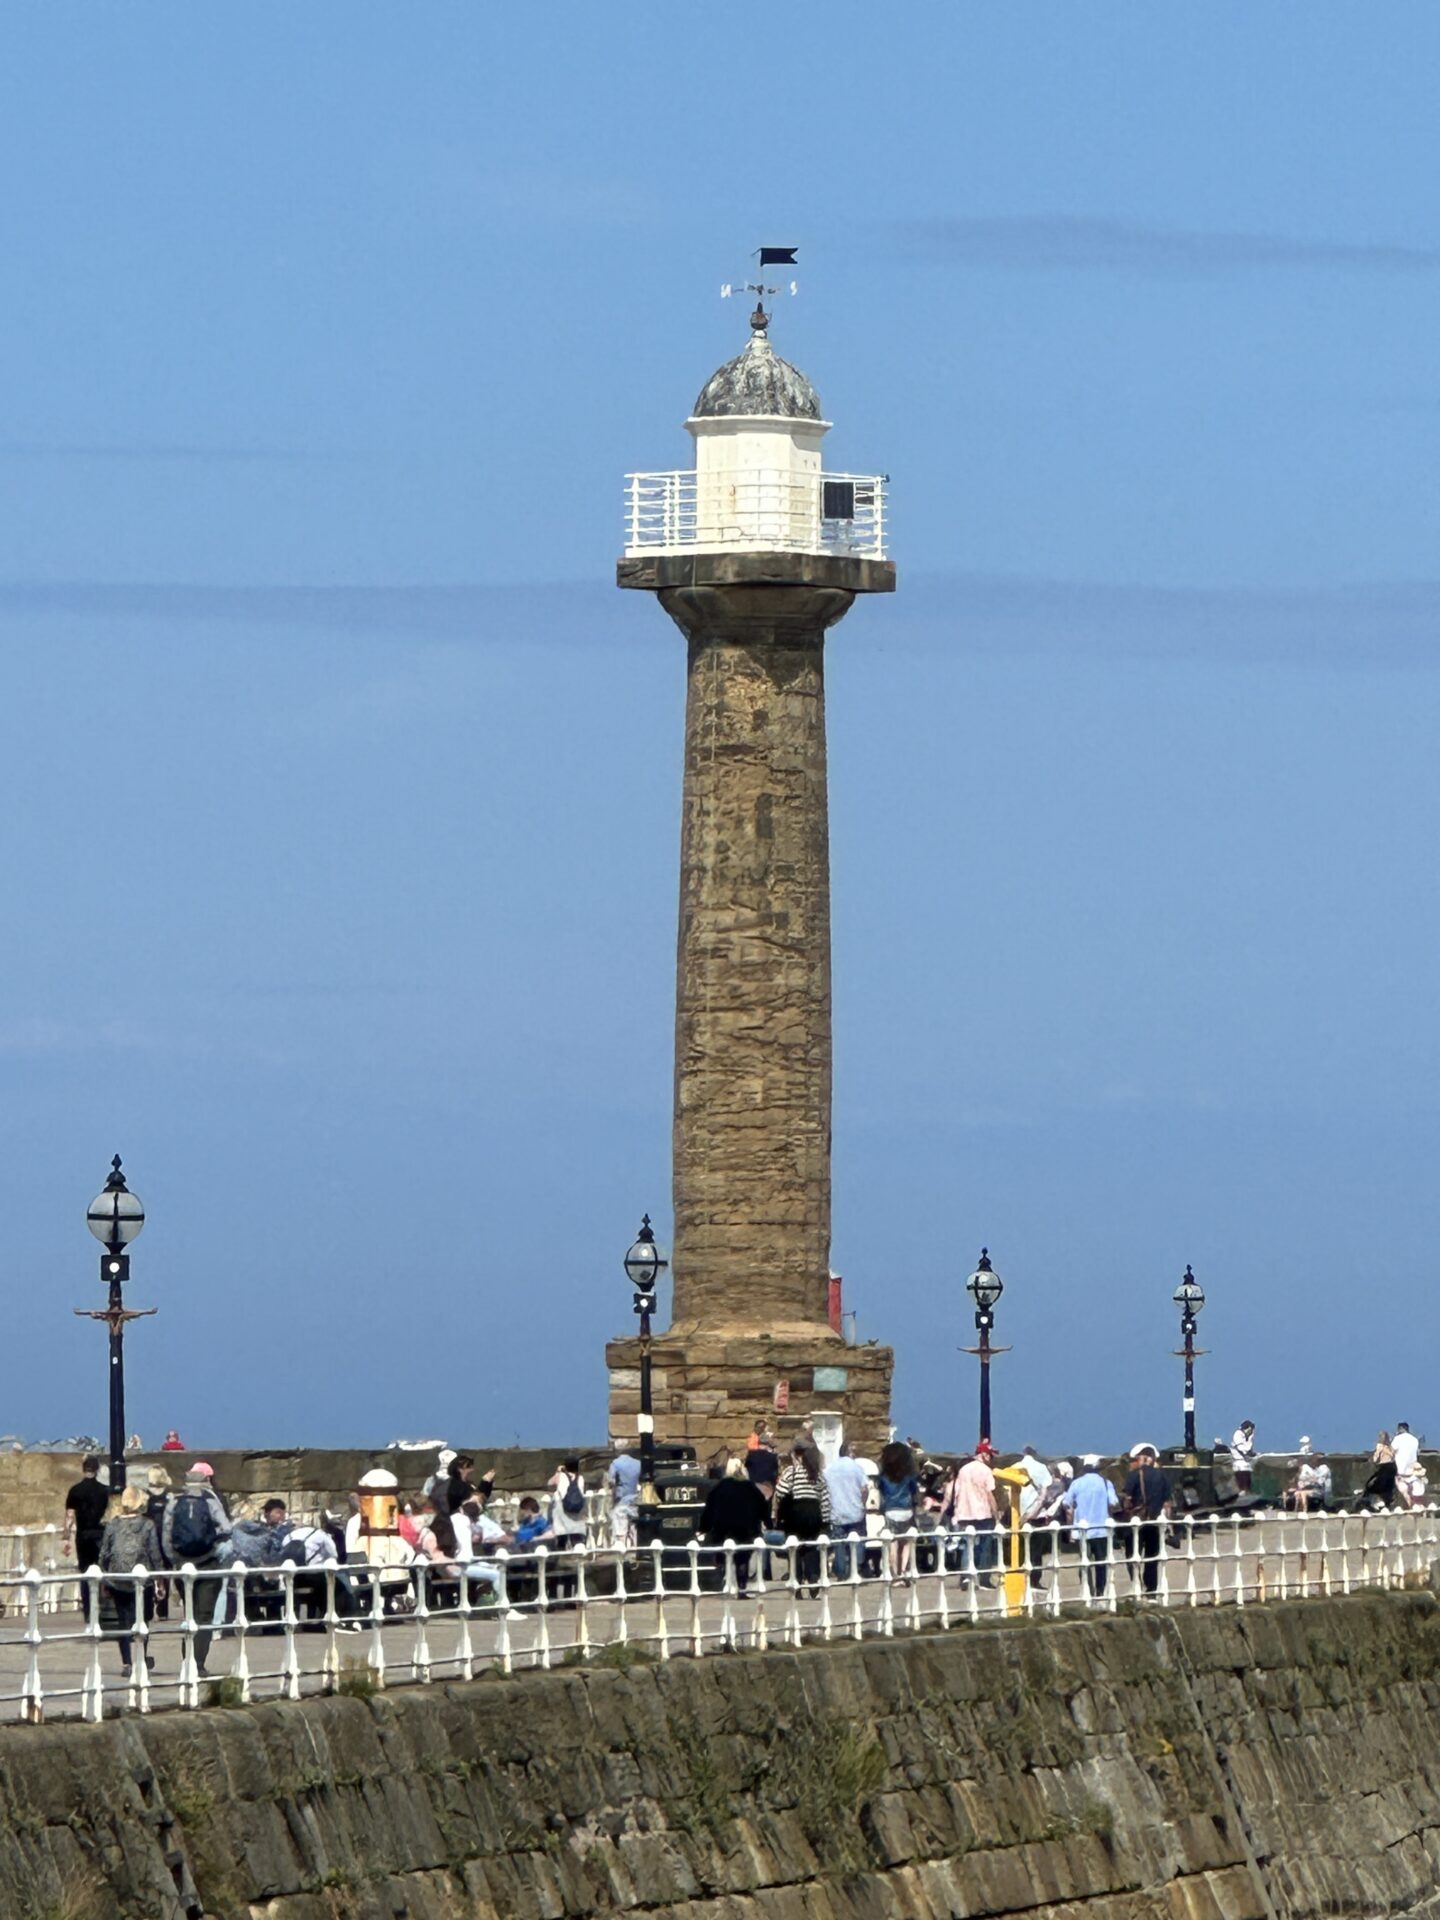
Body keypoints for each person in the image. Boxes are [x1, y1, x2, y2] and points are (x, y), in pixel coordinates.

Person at [162, 1462, 233, 1677]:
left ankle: (186, 1660)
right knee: (204, 1616)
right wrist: (213, 1544)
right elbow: (227, 1527)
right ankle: (198, 1663)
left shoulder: (174, 1502)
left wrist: (174, 1558)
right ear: (204, 1483)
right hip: (208, 1562)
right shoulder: (210, 1500)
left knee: (189, 1613)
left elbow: (166, 1533)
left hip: (183, 1564)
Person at [99, 1482, 163, 1676]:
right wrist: (160, 1578)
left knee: (123, 1622)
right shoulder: (147, 1524)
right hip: (141, 1580)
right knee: (142, 1620)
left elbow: (104, 1552)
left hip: (118, 1579)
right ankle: (141, 1658)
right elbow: (154, 1552)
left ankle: (127, 1663)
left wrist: (104, 1577)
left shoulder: (113, 1524)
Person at [699, 1458, 769, 1591]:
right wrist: (767, 1522)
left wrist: (704, 1527)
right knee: (742, 1559)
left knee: (721, 1552)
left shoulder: (720, 1487)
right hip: (746, 1529)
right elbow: (762, 1506)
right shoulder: (750, 1487)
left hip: (723, 1529)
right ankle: (741, 1588)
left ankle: (723, 1578)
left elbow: (710, 1508)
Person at [773, 1440, 831, 1592]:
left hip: (796, 1512)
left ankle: (796, 1580)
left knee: (795, 1547)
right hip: (813, 1513)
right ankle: (812, 1577)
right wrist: (825, 1520)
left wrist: (782, 1506)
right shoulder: (817, 1474)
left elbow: (780, 1491)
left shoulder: (791, 1472)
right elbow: (824, 1498)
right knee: (811, 1546)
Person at [63, 1456, 111, 1621]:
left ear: (83, 1470)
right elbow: (110, 1515)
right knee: (102, 1570)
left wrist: (66, 1539)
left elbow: (69, 1517)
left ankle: (88, 1611)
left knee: (85, 1572)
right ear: (97, 1470)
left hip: (82, 1536)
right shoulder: (105, 1491)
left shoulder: (75, 1490)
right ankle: (102, 1606)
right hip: (100, 1534)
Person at [943, 1447, 999, 1587]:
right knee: (985, 1545)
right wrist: (996, 1515)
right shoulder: (986, 1471)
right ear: (984, 1454)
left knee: (969, 1544)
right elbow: (990, 1495)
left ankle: (966, 1577)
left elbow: (957, 1492)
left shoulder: (963, 1470)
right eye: (991, 1455)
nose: (992, 1459)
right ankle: (984, 1578)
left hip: (964, 1511)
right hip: (982, 1512)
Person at [1122, 1445, 1172, 1595]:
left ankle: (1136, 1583)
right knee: (1152, 1555)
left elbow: (1127, 1499)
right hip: (1155, 1521)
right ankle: (1151, 1589)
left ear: (1141, 1457)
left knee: (1132, 1554)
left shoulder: (1134, 1475)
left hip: (1137, 1522)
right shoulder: (1162, 1476)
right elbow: (1168, 1503)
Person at [1065, 1456, 1119, 1596]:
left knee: (1084, 1562)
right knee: (1101, 1562)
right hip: (1101, 1530)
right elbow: (1114, 1503)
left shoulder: (1076, 1483)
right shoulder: (1106, 1483)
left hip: (1082, 1530)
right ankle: (1100, 1592)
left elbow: (1066, 1503)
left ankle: (1087, 1590)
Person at [824, 1442, 872, 1581]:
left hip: (837, 1510)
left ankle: (841, 1572)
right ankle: (855, 1568)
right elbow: (864, 1489)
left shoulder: (829, 1468)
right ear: (849, 1453)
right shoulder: (856, 1468)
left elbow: (824, 1487)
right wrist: (863, 1504)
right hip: (855, 1510)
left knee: (839, 1543)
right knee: (858, 1541)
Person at [876, 1440, 919, 1579]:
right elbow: (914, 1491)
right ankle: (904, 1570)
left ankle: (895, 1573)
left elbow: (881, 1491)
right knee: (906, 1542)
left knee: (892, 1543)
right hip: (906, 1509)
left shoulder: (883, 1477)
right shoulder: (909, 1476)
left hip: (890, 1510)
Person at [548, 1458, 588, 1553]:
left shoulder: (561, 1476)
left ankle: (561, 1554)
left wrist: (557, 1472)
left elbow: (549, 1483)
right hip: (576, 1509)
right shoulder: (580, 1477)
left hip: (561, 1507)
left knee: (562, 1533)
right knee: (575, 1533)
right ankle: (578, 1553)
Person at [607, 1442, 641, 1548]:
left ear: (617, 1450)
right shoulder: (638, 1463)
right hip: (636, 1499)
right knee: (635, 1529)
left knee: (620, 1530)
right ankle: (636, 1550)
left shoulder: (616, 1463)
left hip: (621, 1500)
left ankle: (622, 1551)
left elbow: (610, 1482)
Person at [746, 1425, 780, 1495]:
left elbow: (747, 1469)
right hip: (767, 1489)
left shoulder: (751, 1455)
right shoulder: (772, 1457)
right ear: (767, 1444)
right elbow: (775, 1473)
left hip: (753, 1488)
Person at [1393, 1422, 1421, 1501]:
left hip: (1400, 1470)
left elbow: (1392, 1451)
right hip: (1413, 1470)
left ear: (1400, 1429)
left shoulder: (1397, 1439)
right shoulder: (1415, 1439)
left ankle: (1408, 1501)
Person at [1229, 1422, 1257, 1494]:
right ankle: (1241, 1492)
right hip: (1239, 1462)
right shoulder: (1238, 1434)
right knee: (1241, 1479)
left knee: (1247, 1479)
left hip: (1247, 1462)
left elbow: (1249, 1449)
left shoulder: (1248, 1437)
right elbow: (1242, 1448)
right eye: (1249, 1429)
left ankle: (1247, 1491)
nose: (1250, 1432)